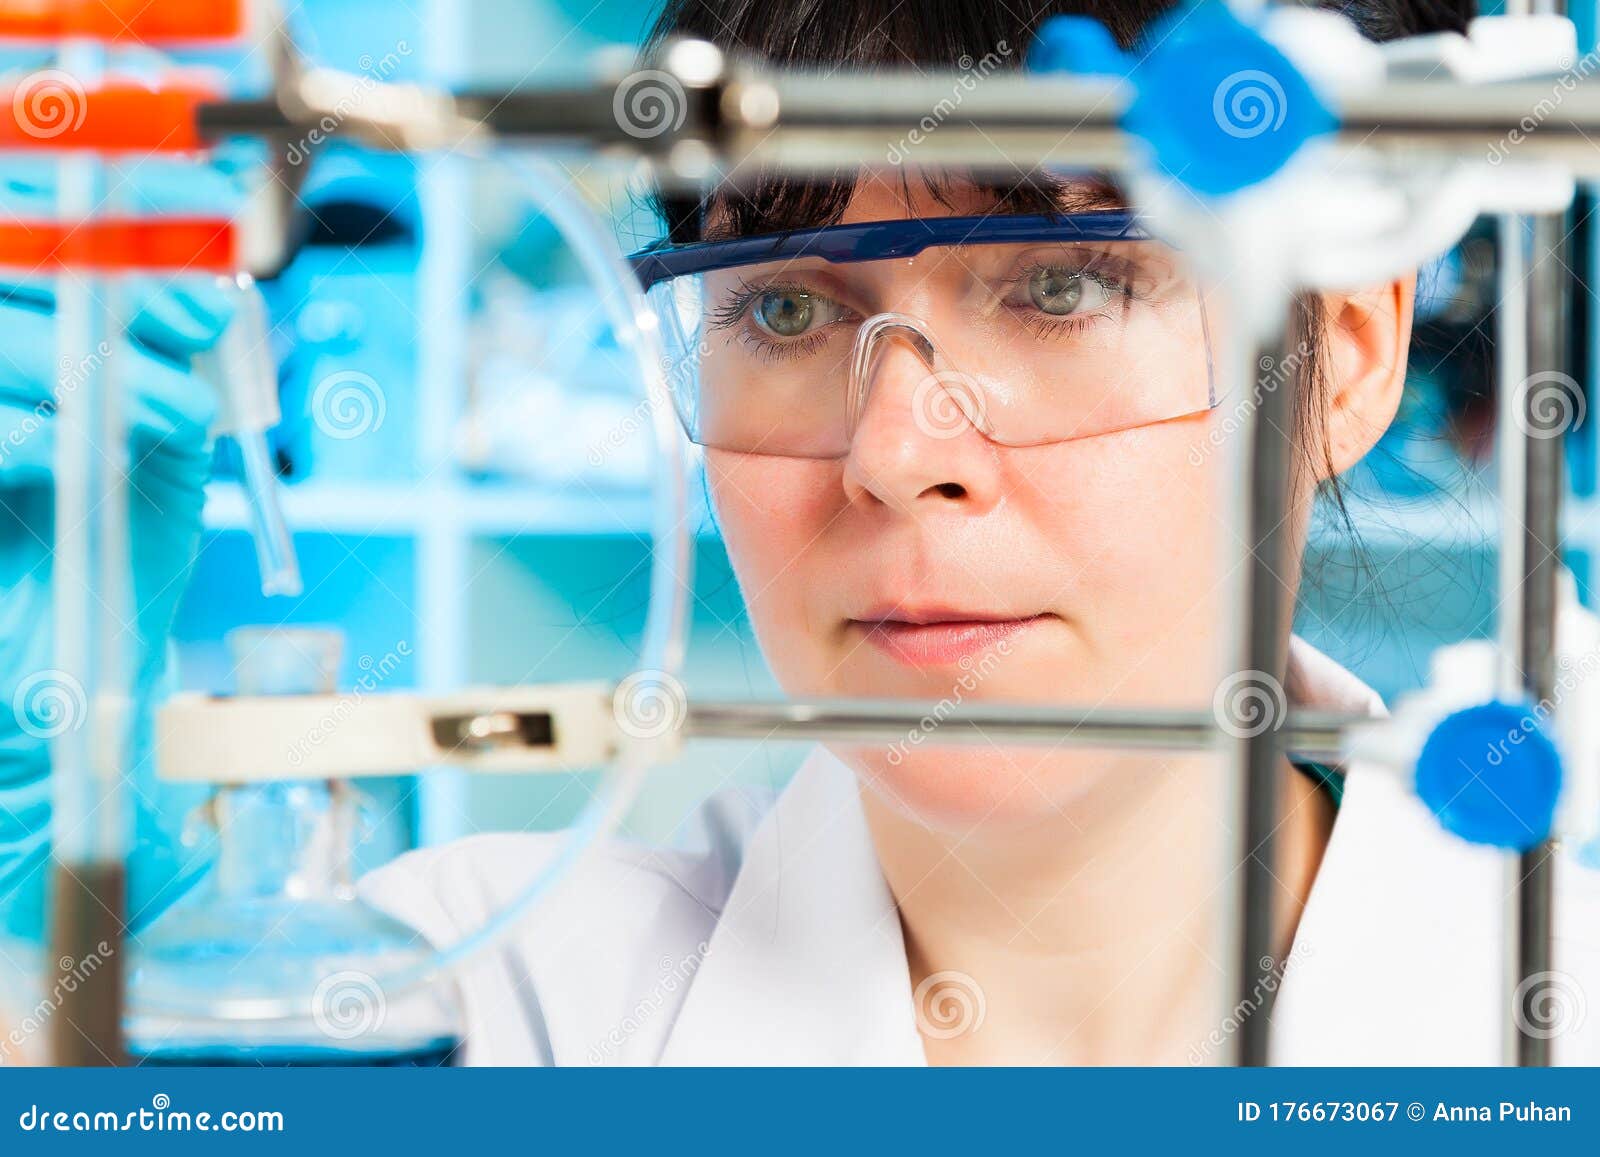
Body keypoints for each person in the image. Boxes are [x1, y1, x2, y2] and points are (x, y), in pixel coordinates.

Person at [356, 0, 1599, 1065]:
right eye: (786, 306)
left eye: (1059, 286)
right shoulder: (465, 1003)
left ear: (1350, 359)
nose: (894, 455)